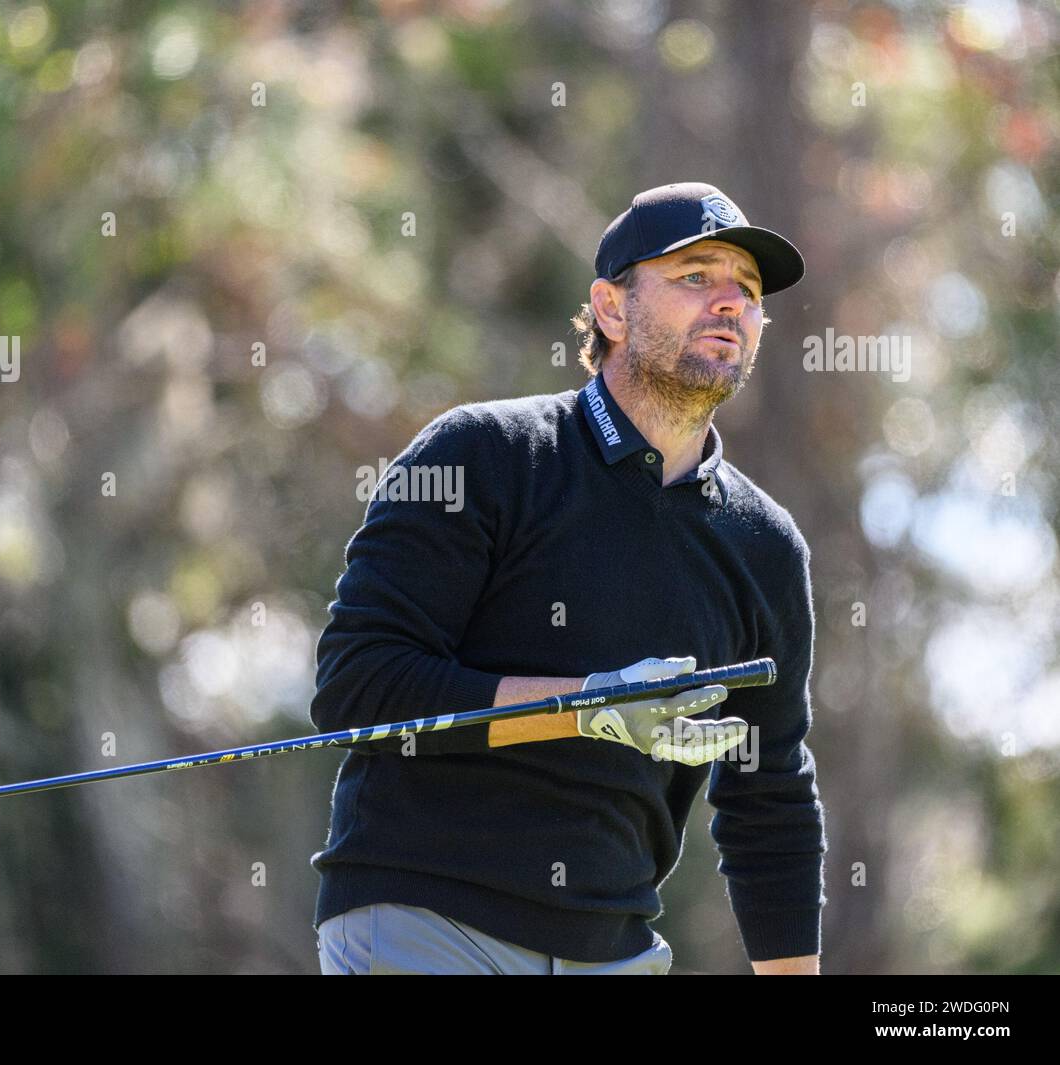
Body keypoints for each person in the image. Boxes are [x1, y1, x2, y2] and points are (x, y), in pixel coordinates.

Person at [310, 182, 827, 975]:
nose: (731, 302)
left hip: (614, 952)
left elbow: (771, 799)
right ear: (612, 309)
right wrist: (586, 708)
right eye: (696, 276)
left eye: (749, 291)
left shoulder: (765, 546)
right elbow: (357, 683)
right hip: (427, 918)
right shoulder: (481, 455)